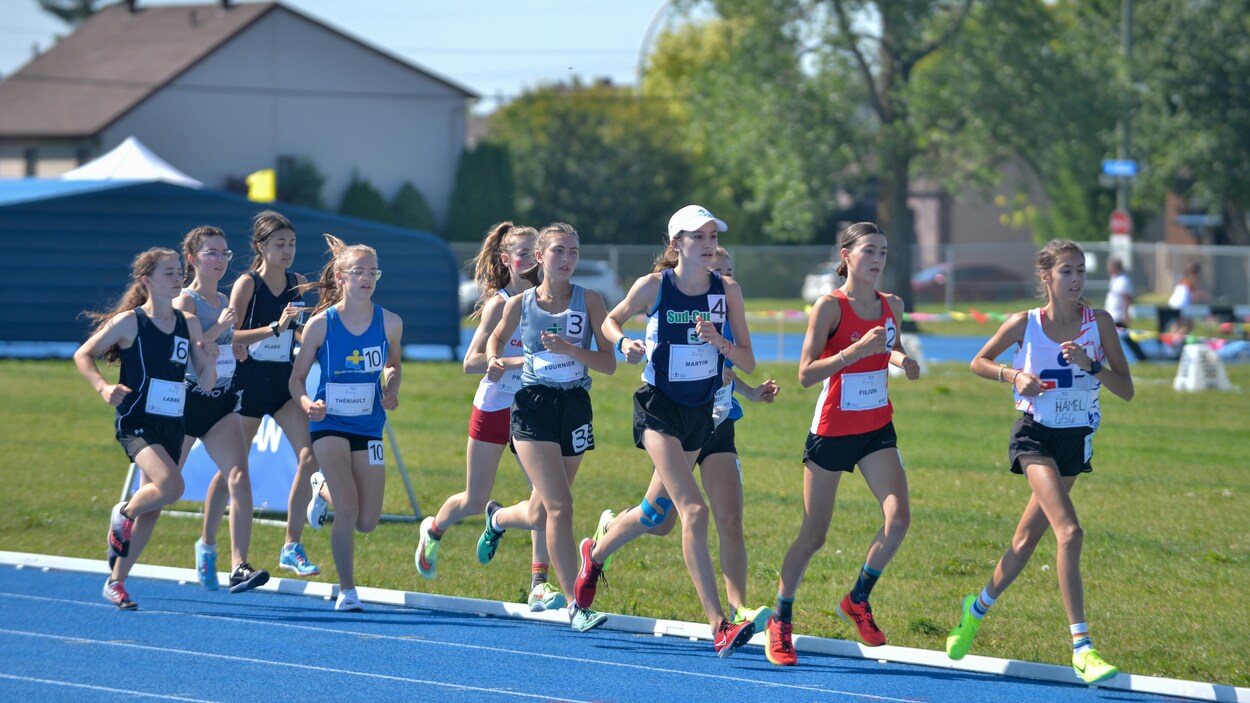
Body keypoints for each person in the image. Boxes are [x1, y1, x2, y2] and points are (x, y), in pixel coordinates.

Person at [946, 239, 1134, 685]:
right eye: (1066, 271)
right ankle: (1082, 647)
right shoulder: (1024, 323)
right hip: (1034, 437)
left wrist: (1091, 366)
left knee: (1027, 538)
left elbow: (1126, 389)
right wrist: (1014, 376)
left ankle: (974, 611)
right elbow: (978, 361)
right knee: (1070, 532)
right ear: (1047, 278)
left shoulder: (1099, 323)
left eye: (1081, 271)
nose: (1075, 279)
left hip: (1075, 442)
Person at [580, 205, 758, 658]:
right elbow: (610, 319)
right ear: (676, 243)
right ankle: (720, 625)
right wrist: (623, 343)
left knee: (657, 517)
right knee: (694, 512)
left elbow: (748, 361)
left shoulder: (727, 291)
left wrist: (719, 342)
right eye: (698, 237)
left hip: (700, 414)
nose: (708, 243)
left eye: (712, 235)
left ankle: (595, 553)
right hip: (658, 408)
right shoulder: (656, 286)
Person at [764, 222, 921, 666]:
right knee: (814, 534)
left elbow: (887, 345)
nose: (878, 259)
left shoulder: (893, 304)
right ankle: (781, 619)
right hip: (832, 428)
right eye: (869, 250)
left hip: (875, 427)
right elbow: (805, 374)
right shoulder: (829, 307)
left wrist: (900, 358)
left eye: (884, 252)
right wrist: (853, 353)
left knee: (898, 517)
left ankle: (858, 599)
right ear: (847, 255)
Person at [415, 223, 562, 611]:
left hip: (532, 411)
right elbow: (471, 362)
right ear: (506, 260)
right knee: (473, 498)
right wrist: (511, 361)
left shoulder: (547, 301)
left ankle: (538, 583)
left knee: (545, 498)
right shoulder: (499, 303)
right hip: (494, 407)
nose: (532, 261)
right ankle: (434, 528)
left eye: (538, 253)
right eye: (524, 254)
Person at [478, 222, 617, 632]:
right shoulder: (518, 303)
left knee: (542, 508)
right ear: (540, 257)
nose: (568, 259)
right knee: (560, 507)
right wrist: (493, 359)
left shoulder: (590, 300)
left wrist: (572, 349)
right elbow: (495, 340)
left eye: (573, 251)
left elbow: (608, 364)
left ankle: (498, 519)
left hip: (574, 406)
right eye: (559, 251)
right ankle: (576, 604)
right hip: (532, 407)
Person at [74, 248, 217, 609]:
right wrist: (103, 388)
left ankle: (116, 582)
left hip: (173, 422)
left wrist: (211, 359)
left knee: (153, 507)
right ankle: (123, 513)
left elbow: (205, 380)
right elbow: (83, 354)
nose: (177, 278)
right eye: (168, 273)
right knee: (173, 486)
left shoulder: (189, 322)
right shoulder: (129, 322)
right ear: (146, 281)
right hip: (137, 422)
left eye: (177, 272)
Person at [289, 234, 403, 611]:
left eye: (373, 272)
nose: (367, 278)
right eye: (359, 272)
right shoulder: (321, 325)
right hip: (329, 424)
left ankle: (319, 485)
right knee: (348, 507)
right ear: (341, 278)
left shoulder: (390, 323)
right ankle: (347, 589)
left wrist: (391, 386)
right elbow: (296, 378)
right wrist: (308, 404)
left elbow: (393, 365)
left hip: (369, 425)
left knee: (367, 521)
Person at [223, 210, 322, 577]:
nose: (288, 250)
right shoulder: (247, 284)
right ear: (261, 247)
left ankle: (291, 546)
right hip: (247, 384)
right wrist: (272, 328)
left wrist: (311, 337)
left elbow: (296, 333)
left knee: (309, 455)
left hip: (283, 384)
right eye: (280, 244)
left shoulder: (297, 281)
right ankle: (216, 547)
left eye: (292, 243)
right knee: (233, 471)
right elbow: (228, 336)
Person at [175, 226, 269, 593]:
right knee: (165, 487)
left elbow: (224, 343)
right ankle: (128, 517)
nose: (219, 260)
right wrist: (221, 329)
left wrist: (237, 347)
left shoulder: (225, 299)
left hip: (222, 402)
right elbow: (192, 346)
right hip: (185, 402)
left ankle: (239, 566)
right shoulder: (186, 301)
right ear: (192, 259)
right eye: (211, 253)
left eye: (224, 253)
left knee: (240, 478)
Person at [1103, 257, 1146, 362]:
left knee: (1124, 337)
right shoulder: (1115, 278)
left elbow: (1127, 298)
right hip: (1112, 314)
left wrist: (1126, 314)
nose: (1108, 268)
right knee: (1122, 338)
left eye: (1110, 266)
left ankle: (1141, 356)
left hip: (1118, 315)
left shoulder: (1123, 280)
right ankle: (1141, 356)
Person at [1165, 261, 1207, 342]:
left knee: (1177, 326)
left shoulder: (1183, 281)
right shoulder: (1190, 281)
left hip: (1175, 303)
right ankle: (1176, 340)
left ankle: (1173, 339)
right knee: (1189, 326)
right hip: (1180, 304)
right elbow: (1190, 296)